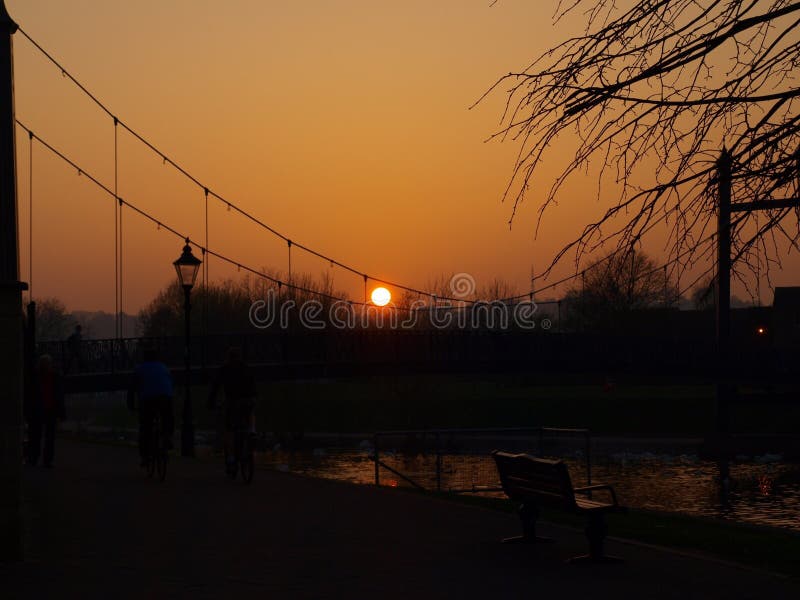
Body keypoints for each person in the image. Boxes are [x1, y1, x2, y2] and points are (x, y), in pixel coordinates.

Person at [208, 347, 257, 473]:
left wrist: (211, 403)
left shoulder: (224, 369)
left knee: (228, 428)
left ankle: (230, 457)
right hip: (247, 399)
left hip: (232, 401)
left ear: (228, 358)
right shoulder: (246, 367)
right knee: (250, 410)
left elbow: (215, 387)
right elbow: (253, 384)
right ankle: (252, 429)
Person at [128, 346, 175, 467]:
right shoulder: (164, 367)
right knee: (168, 417)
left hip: (147, 399)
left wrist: (131, 405)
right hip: (165, 397)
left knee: (145, 427)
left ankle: (145, 457)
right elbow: (170, 383)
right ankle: (167, 437)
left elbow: (131, 389)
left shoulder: (139, 369)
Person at [26, 354, 66, 468]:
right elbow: (59, 396)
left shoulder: (39, 377)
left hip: (47, 410)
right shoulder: (49, 377)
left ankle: (38, 459)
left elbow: (59, 396)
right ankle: (41, 459)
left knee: (42, 437)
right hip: (43, 410)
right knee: (41, 436)